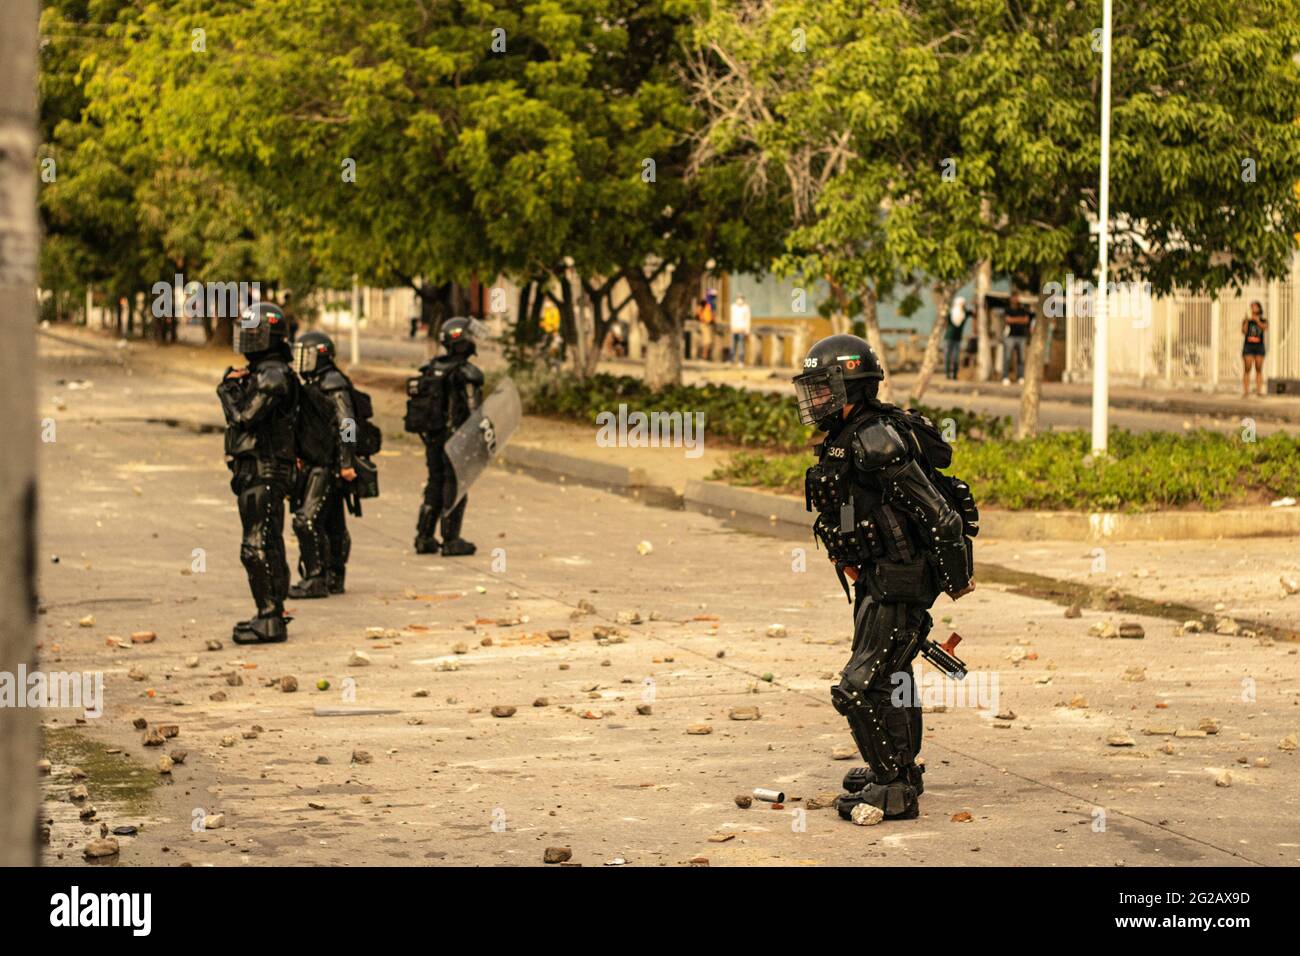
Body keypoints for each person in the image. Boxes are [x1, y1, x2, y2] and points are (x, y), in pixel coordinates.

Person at [792, 334, 978, 820]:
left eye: (822, 389)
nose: (813, 400)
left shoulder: (877, 439)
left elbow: (943, 518)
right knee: (893, 675)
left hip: (901, 578)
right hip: (878, 575)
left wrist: (956, 581)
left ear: (849, 388)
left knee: (859, 684)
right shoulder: (847, 435)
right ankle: (898, 769)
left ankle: (893, 788)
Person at [217, 302, 300, 645]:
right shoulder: (266, 371)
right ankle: (272, 611)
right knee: (269, 541)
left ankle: (269, 618)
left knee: (255, 546)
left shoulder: (273, 375)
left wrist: (226, 390)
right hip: (256, 468)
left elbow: (243, 417)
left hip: (264, 468)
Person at [288, 331, 357, 599]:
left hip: (327, 464)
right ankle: (332, 575)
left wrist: (346, 461)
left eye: (307, 354)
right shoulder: (313, 382)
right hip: (314, 460)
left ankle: (317, 577)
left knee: (307, 520)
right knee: (332, 522)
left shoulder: (333, 382)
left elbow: (347, 423)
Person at [410, 317, 484, 556]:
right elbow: (475, 411)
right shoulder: (467, 373)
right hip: (456, 438)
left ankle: (424, 536)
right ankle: (451, 539)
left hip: (432, 436)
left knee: (435, 481)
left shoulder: (431, 367)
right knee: (455, 484)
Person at [1001, 293, 1034, 385]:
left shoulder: (1023, 309)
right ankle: (1005, 377)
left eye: (1017, 297)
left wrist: (1014, 320)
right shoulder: (1007, 309)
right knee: (1007, 357)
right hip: (1009, 336)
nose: (1015, 299)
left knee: (1021, 358)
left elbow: (1026, 320)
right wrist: (1020, 319)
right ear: (1011, 298)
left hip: (1021, 336)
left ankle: (1020, 377)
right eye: (1014, 297)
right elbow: (1008, 320)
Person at [1242, 301, 1268, 397]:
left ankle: (1259, 391)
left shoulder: (1263, 320)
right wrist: (1247, 320)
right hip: (1248, 346)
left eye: (1254, 307)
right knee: (1247, 368)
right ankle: (1246, 391)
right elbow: (1244, 331)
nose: (1253, 309)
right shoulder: (1247, 320)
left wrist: (1257, 321)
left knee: (1259, 369)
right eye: (1251, 307)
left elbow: (1265, 328)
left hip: (1259, 347)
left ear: (1259, 308)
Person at [944, 296, 970, 380]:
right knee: (948, 356)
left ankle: (954, 375)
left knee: (955, 358)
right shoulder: (951, 313)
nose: (963, 305)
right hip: (949, 337)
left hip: (958, 338)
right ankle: (947, 375)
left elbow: (973, 313)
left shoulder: (964, 313)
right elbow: (945, 321)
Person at [730, 295, 752, 366]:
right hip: (734, 329)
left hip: (742, 329)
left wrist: (747, 330)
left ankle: (741, 361)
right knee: (733, 345)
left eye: (741, 298)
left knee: (741, 346)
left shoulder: (746, 308)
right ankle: (731, 360)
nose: (740, 300)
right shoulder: (733, 307)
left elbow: (747, 319)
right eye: (738, 298)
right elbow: (732, 318)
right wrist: (732, 327)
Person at [695, 296, 715, 361]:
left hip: (709, 325)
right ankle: (704, 356)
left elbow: (711, 315)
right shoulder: (703, 304)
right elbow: (697, 314)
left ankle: (705, 356)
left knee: (707, 341)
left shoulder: (710, 305)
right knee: (707, 341)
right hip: (704, 324)